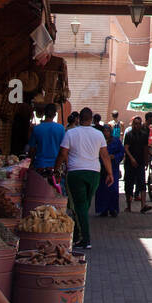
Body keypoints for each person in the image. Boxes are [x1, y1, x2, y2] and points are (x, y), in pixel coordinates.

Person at [54, 108, 112, 251]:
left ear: (79, 118)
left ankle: (85, 239)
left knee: (78, 206)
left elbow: (63, 153)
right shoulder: (98, 134)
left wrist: (56, 169)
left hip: (76, 172)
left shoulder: (71, 133)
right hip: (94, 173)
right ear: (91, 119)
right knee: (84, 205)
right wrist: (110, 173)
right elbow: (104, 155)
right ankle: (79, 235)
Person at [26, 104, 65, 184]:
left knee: (40, 190)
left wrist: (31, 163)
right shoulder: (61, 128)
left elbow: (32, 150)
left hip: (40, 165)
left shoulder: (37, 129)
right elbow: (63, 150)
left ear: (44, 113)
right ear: (55, 114)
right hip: (56, 166)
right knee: (55, 192)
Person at [122, 115, 151, 214]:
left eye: (139, 124)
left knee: (142, 183)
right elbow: (126, 148)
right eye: (135, 124)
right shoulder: (129, 135)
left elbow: (145, 148)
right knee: (128, 184)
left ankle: (143, 205)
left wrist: (146, 161)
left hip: (140, 163)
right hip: (130, 164)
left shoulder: (144, 135)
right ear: (133, 124)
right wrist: (131, 158)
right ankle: (128, 206)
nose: (137, 126)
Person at [95, 124, 125, 217]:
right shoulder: (99, 141)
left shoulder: (116, 141)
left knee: (113, 189)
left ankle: (113, 209)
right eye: (104, 131)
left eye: (107, 131)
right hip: (101, 168)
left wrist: (114, 157)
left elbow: (121, 152)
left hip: (113, 168)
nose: (106, 133)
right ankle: (103, 209)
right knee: (101, 189)